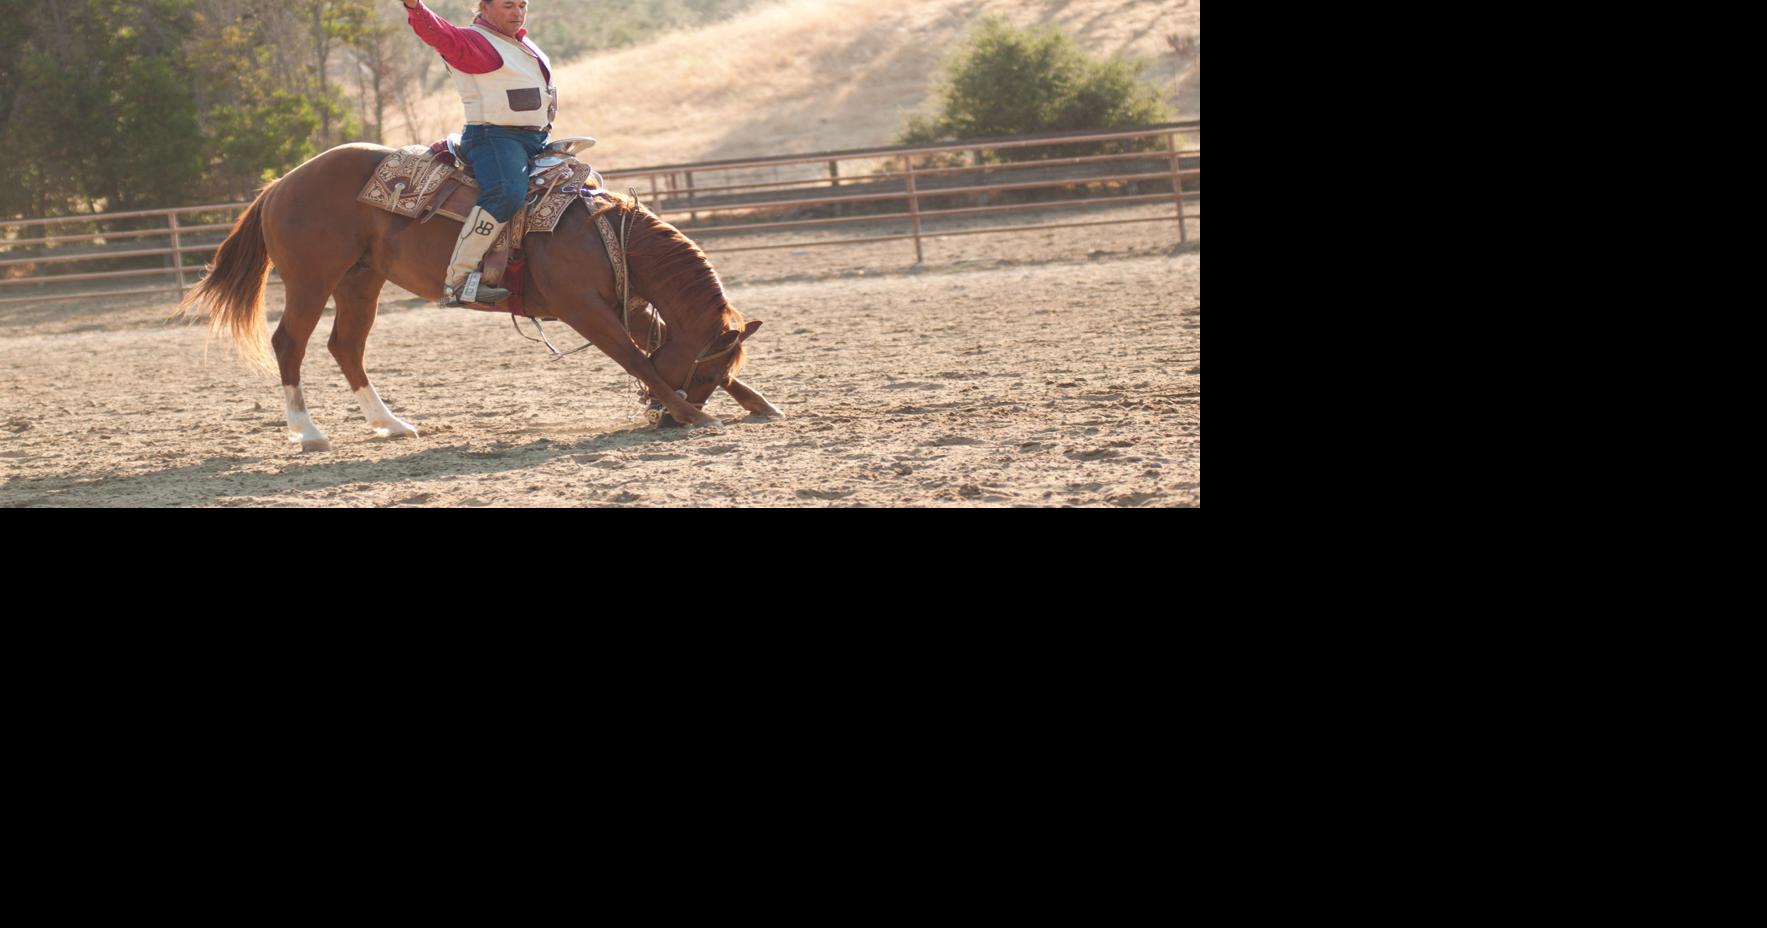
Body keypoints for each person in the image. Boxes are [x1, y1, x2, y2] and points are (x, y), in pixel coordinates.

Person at [401, 0, 559, 305]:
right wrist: (415, 7)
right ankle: (457, 280)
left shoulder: (518, 41)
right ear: (484, 8)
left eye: (522, 5)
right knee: (506, 192)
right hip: (494, 138)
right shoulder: (473, 42)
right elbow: (440, 35)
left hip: (532, 139)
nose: (517, 12)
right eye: (508, 5)